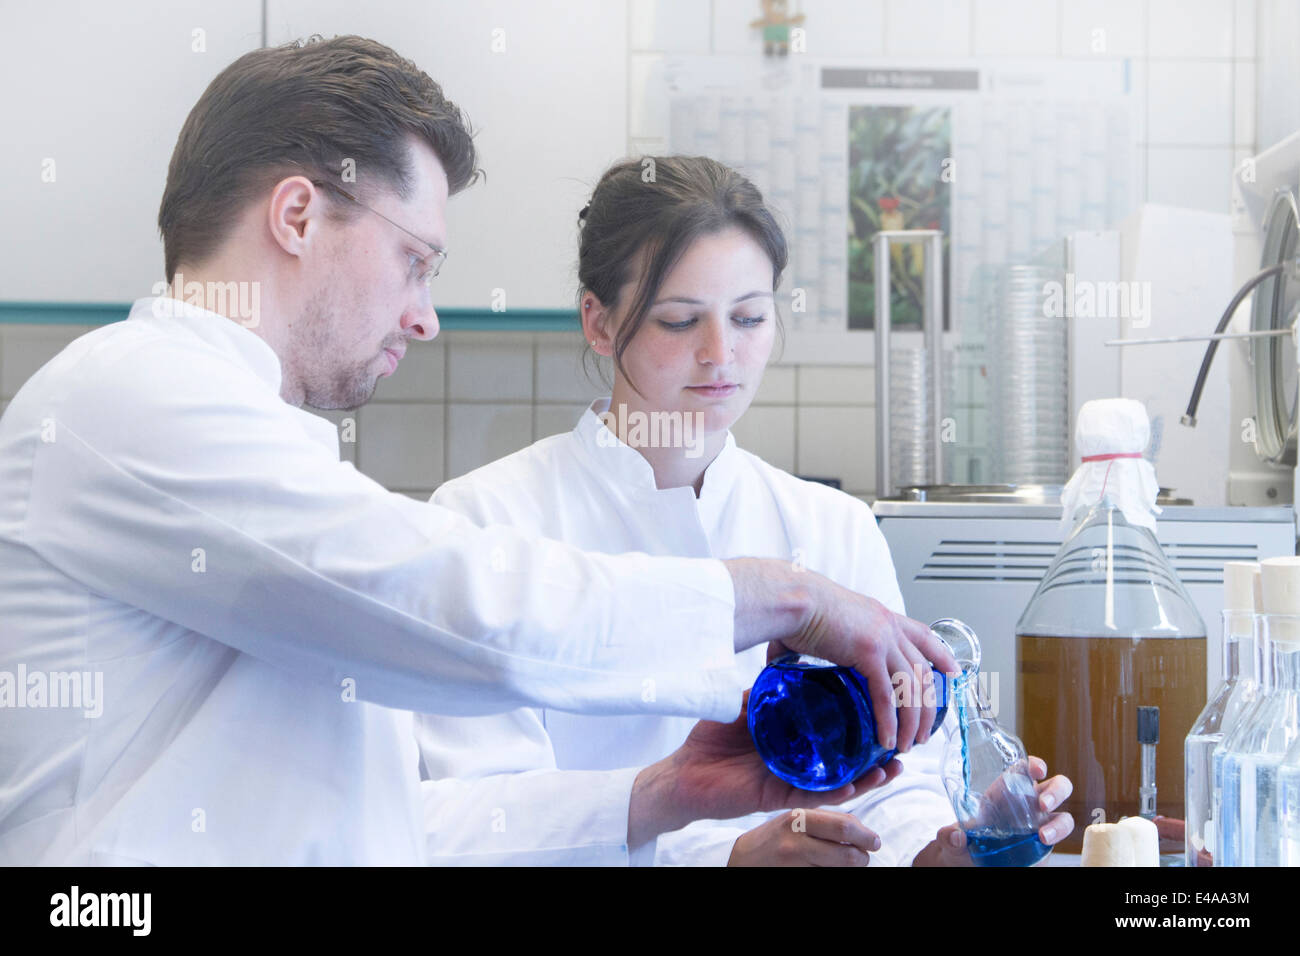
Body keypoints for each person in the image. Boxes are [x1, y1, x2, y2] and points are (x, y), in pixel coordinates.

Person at [0, 37, 953, 866]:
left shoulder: (238, 430)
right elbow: (459, 602)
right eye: (415, 260)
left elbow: (398, 827)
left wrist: (664, 795)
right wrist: (787, 597)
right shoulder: (134, 396)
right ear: (297, 217)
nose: (425, 317)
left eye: (749, 317)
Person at [416, 156, 1076, 866]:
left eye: (749, 318)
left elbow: (898, 772)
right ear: (599, 323)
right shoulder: (487, 518)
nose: (720, 354)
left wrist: (934, 850)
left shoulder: (831, 525)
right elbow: (476, 822)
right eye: (679, 321)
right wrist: (721, 861)